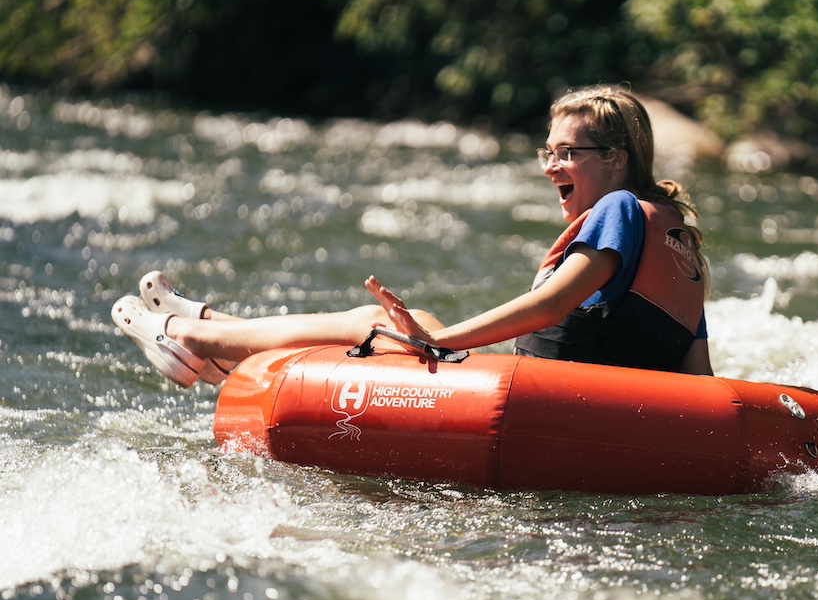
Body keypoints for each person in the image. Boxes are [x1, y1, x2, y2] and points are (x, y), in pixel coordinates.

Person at [111, 86, 712, 388]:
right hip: (604, 406)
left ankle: (188, 335)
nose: (551, 167)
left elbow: (550, 305)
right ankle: (215, 336)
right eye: (546, 153)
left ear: (615, 158)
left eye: (567, 154)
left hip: (551, 397)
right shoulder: (684, 246)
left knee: (386, 323)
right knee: (399, 327)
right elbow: (698, 375)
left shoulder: (617, 209)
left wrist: (439, 338)